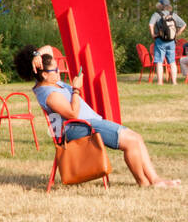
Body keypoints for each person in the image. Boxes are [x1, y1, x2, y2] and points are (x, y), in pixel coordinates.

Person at [15, 44, 180, 188]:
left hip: (87, 123)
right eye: (55, 69)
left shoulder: (50, 82)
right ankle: (144, 183)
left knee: (137, 137)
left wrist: (36, 56)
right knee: (131, 141)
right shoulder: (49, 94)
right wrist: (76, 89)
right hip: (79, 127)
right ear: (44, 74)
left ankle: (155, 180)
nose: (59, 70)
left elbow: (49, 48)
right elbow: (72, 113)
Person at [148, 0, 186, 85]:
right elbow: (184, 24)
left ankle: (160, 82)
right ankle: (174, 82)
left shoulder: (156, 15)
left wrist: (153, 34)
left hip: (160, 41)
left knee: (159, 62)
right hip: (171, 41)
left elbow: (150, 25)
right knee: (172, 62)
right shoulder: (173, 15)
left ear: (160, 5)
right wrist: (177, 33)